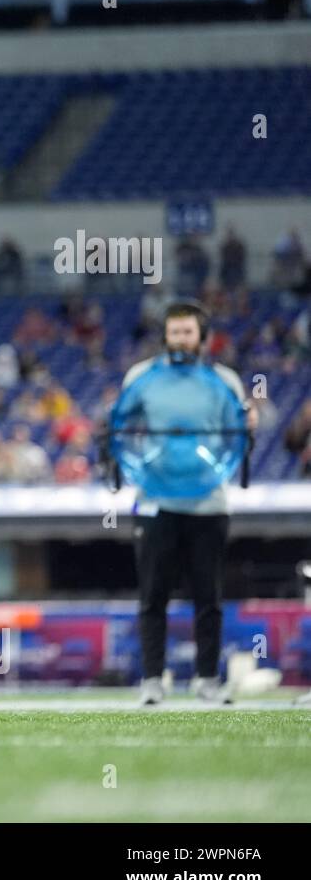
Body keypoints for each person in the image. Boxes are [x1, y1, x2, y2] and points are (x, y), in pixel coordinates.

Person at [121, 300, 256, 706]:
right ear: (165, 335)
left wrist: (249, 423)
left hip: (210, 503)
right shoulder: (141, 377)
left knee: (208, 597)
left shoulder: (225, 380)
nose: (180, 339)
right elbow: (119, 425)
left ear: (202, 337)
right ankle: (151, 680)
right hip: (155, 501)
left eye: (187, 332)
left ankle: (207, 680)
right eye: (174, 331)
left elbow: (241, 430)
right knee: (152, 597)